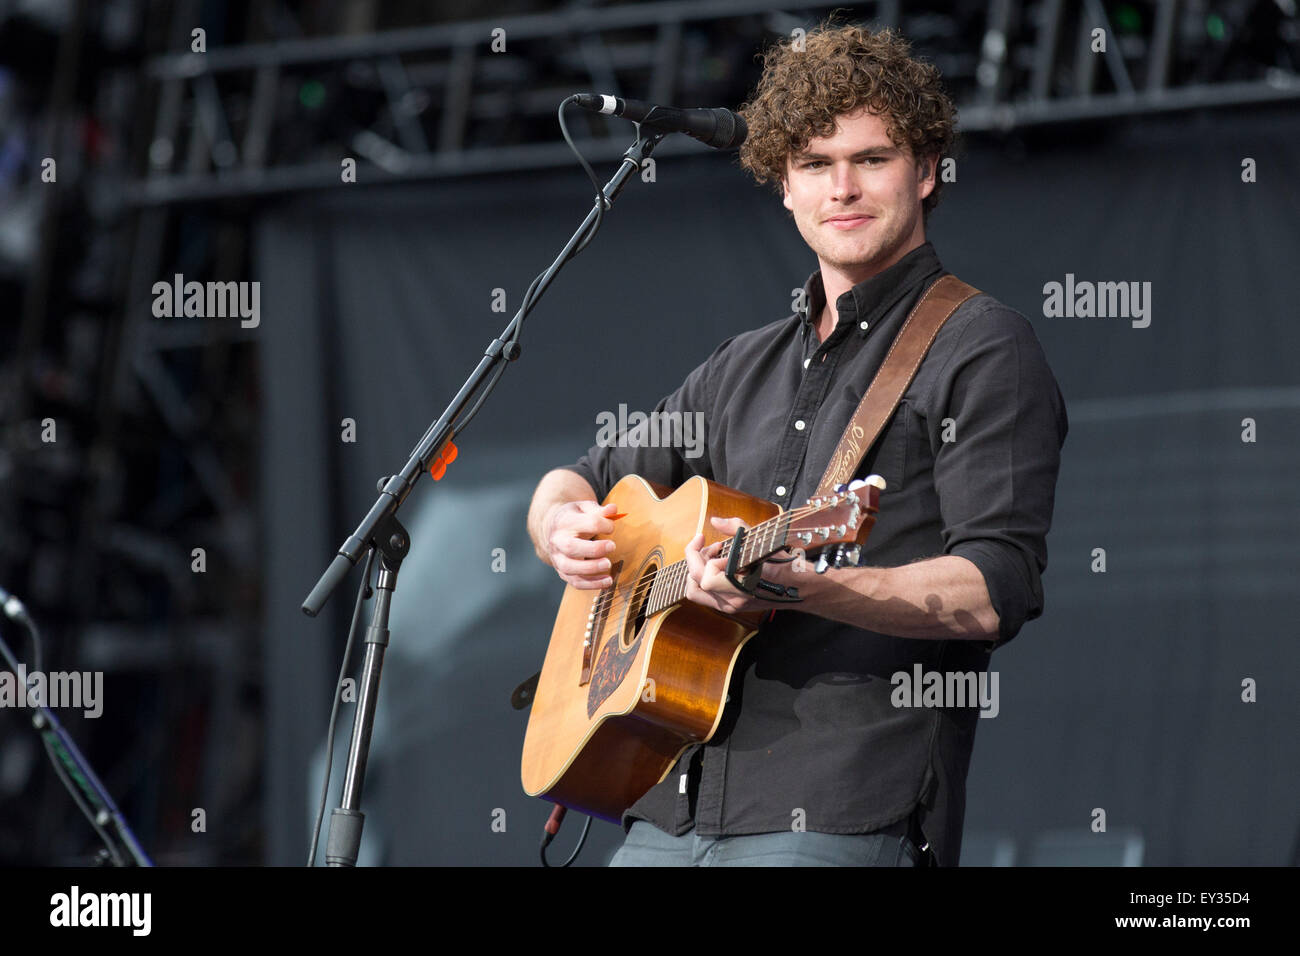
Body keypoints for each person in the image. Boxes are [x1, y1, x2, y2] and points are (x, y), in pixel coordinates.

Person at [526, 22, 1067, 867]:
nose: (842, 188)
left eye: (871, 160)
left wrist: (810, 588)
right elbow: (576, 482)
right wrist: (561, 527)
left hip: (841, 806)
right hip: (667, 807)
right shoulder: (740, 365)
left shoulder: (982, 345)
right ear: (784, 184)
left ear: (925, 173)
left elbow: (995, 587)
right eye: (815, 165)